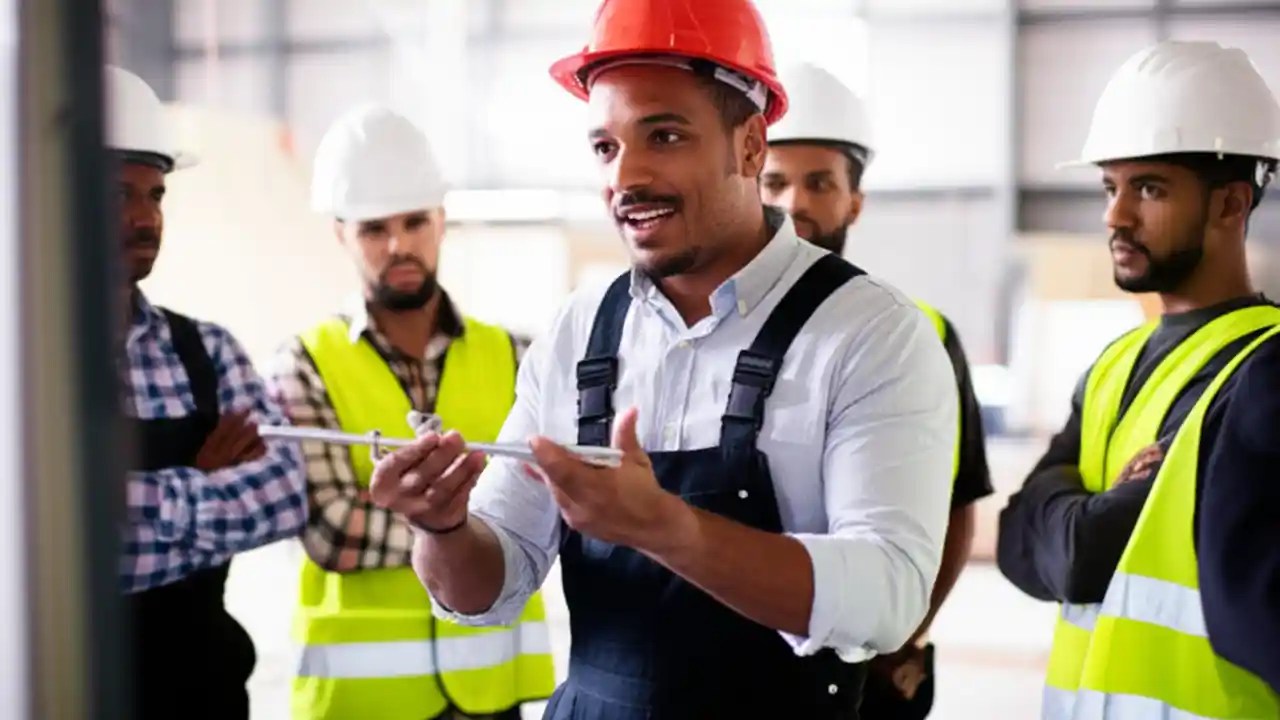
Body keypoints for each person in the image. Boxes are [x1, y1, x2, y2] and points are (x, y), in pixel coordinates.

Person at [365, 1, 958, 717]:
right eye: (605, 149)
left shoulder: (869, 332)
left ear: (749, 145)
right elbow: (488, 591)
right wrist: (443, 527)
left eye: (665, 135)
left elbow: (888, 595)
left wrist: (666, 529)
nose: (627, 177)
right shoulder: (577, 331)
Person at [993, 40, 1280, 719]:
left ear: (1230, 205)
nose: (1114, 215)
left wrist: (1062, 504)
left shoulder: (1262, 372)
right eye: (1109, 187)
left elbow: (1084, 557)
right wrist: (1079, 511)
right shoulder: (1113, 364)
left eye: (1148, 188)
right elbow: (1018, 541)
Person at [266, 103, 555, 720]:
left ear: (441, 222)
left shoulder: (516, 356)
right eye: (374, 228)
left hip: (491, 695)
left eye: (414, 221)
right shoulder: (303, 364)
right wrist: (488, 528)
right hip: (362, 703)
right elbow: (332, 530)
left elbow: (548, 511)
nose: (399, 244)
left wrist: (474, 522)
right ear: (340, 233)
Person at [762, 60, 995, 719]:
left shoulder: (920, 334)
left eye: (819, 183)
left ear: (854, 202)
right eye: (774, 182)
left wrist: (907, 630)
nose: (794, 203)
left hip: (870, 667)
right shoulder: (718, 327)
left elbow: (956, 506)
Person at [109, 64, 308, 720]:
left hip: (205, 693)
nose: (144, 218)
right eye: (119, 194)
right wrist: (203, 482)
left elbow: (285, 495)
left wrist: (133, 496)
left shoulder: (207, 351)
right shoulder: (23, 365)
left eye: (155, 195)